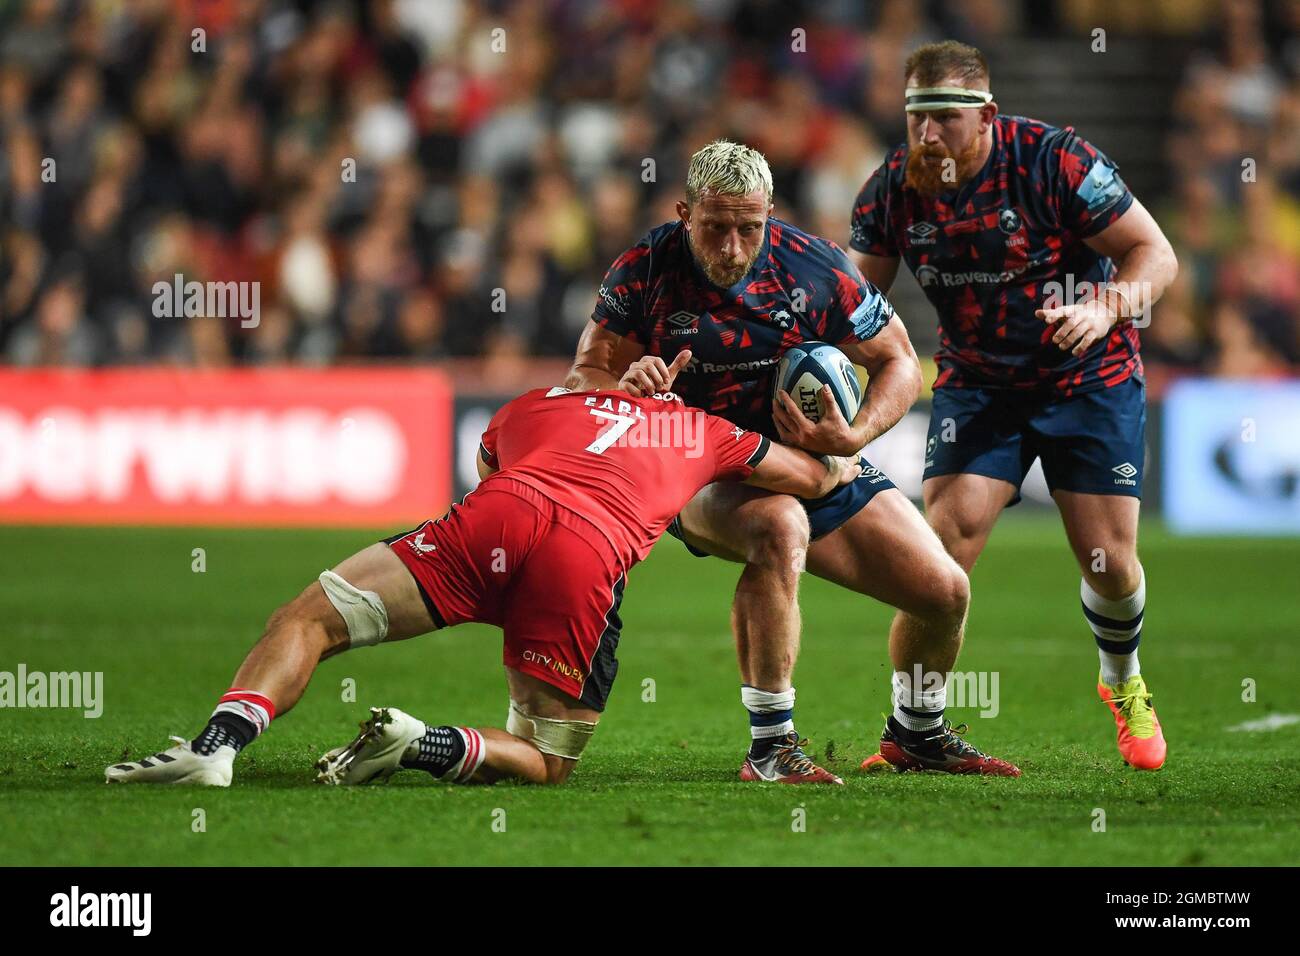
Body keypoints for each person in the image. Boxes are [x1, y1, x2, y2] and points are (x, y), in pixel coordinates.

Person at [105, 354, 864, 788]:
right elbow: (816, 480)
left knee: (310, 616)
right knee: (544, 757)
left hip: (498, 517)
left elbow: (484, 463)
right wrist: (836, 440)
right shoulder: (704, 429)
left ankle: (215, 749)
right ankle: (415, 742)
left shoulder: (541, 402)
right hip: (587, 558)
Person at [568, 140, 1020, 780]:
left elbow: (898, 360)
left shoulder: (814, 267)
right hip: (704, 469)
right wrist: (624, 386)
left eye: (748, 228)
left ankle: (916, 735)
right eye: (714, 227)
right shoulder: (643, 270)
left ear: (770, 215)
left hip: (816, 459)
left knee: (945, 592)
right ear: (683, 212)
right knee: (779, 525)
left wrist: (854, 433)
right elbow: (583, 376)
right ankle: (771, 746)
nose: (731, 247)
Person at [848, 41, 1179, 770]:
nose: (928, 136)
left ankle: (1122, 682)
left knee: (1109, 562)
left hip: (1087, 376)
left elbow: (1155, 255)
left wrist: (1104, 307)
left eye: (945, 118)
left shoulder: (1055, 162)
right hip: (979, 385)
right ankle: (913, 730)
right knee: (942, 548)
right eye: (916, 119)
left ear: (987, 116)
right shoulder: (890, 192)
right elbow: (852, 307)